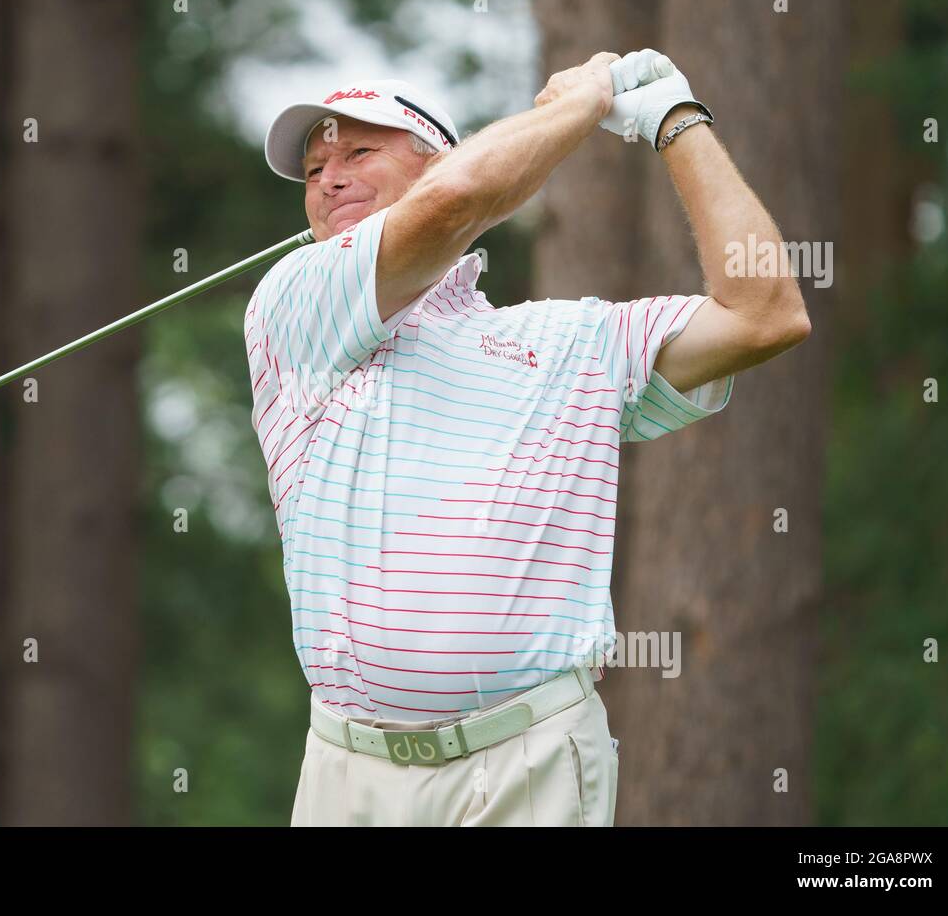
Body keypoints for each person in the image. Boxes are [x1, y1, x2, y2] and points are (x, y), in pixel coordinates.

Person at [244, 50, 810, 826]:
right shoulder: (296, 305)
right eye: (314, 169)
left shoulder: (569, 340)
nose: (330, 178)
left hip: (530, 765)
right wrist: (584, 103)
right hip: (349, 777)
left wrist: (677, 122)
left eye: (358, 152)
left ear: (436, 159)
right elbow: (456, 202)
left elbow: (765, 312)